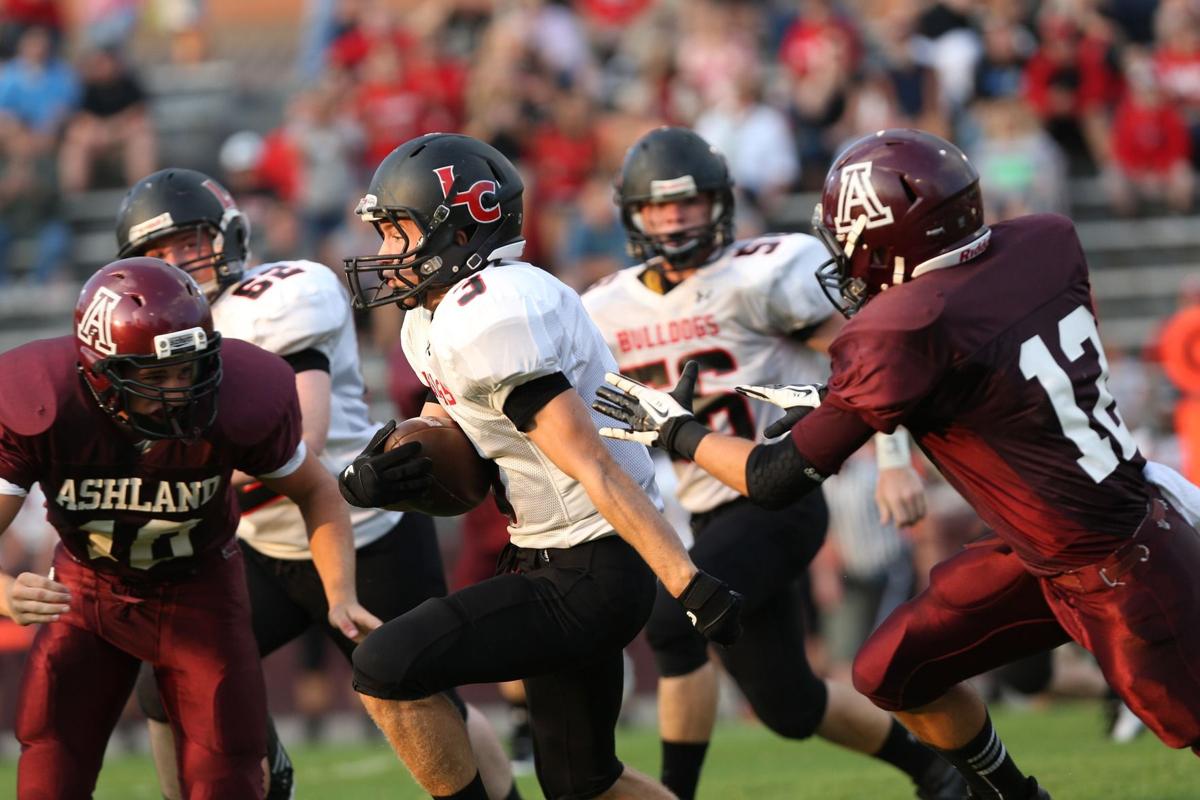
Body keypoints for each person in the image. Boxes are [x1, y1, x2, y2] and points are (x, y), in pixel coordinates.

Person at [594, 127, 1200, 800]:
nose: (847, 264)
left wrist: (675, 430)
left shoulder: (906, 328)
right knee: (891, 669)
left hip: (1118, 565)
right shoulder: (1045, 238)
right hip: (1054, 539)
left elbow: (772, 479)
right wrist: (836, 400)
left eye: (853, 246)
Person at [338, 132, 742, 800]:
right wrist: (386, 464)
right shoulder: (435, 317)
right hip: (556, 555)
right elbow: (459, 428)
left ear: (460, 227)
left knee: (385, 664)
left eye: (398, 231)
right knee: (583, 782)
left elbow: (591, 463)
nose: (385, 253)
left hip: (590, 567)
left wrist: (687, 581)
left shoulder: (494, 311)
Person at [112, 168, 520, 800]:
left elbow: (298, 433)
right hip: (261, 546)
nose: (177, 262)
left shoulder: (286, 294)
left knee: (427, 702)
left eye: (189, 242)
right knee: (166, 685)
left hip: (362, 533)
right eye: (156, 254)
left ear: (228, 237)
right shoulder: (146, 333)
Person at [581, 126, 961, 800]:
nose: (674, 218)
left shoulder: (765, 268)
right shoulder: (602, 307)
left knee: (674, 621)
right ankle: (934, 770)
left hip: (778, 494)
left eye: (689, 203)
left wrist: (896, 457)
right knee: (789, 705)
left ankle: (672, 794)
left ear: (719, 203)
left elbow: (869, 364)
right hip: (699, 511)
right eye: (658, 207)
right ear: (633, 214)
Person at [0, 257, 375, 799]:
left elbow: (318, 491)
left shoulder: (242, 395)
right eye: (154, 376)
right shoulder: (43, 397)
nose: (179, 390)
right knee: (51, 760)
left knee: (228, 772)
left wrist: (340, 594)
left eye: (189, 369)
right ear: (98, 370)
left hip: (200, 590)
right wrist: (7, 594)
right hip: (87, 589)